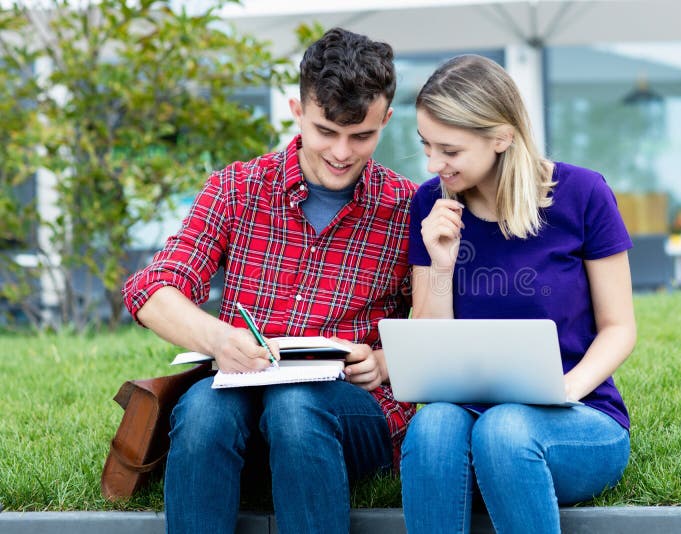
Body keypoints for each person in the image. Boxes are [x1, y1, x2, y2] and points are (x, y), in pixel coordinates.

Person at [122, 28, 417, 534]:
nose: (342, 152)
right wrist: (219, 339)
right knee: (202, 416)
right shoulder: (237, 187)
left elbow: (445, 331)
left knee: (296, 406)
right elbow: (151, 289)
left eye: (361, 136)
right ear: (297, 111)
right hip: (238, 398)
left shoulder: (408, 208)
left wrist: (387, 362)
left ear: (386, 120)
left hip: (348, 415)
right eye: (326, 131)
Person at [400, 54, 636, 534]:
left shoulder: (584, 194)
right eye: (426, 146)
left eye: (449, 150)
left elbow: (619, 327)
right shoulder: (431, 203)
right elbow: (430, 349)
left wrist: (568, 388)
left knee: (504, 429)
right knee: (430, 427)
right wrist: (440, 265)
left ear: (502, 137)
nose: (433, 164)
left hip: (576, 418)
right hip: (467, 417)